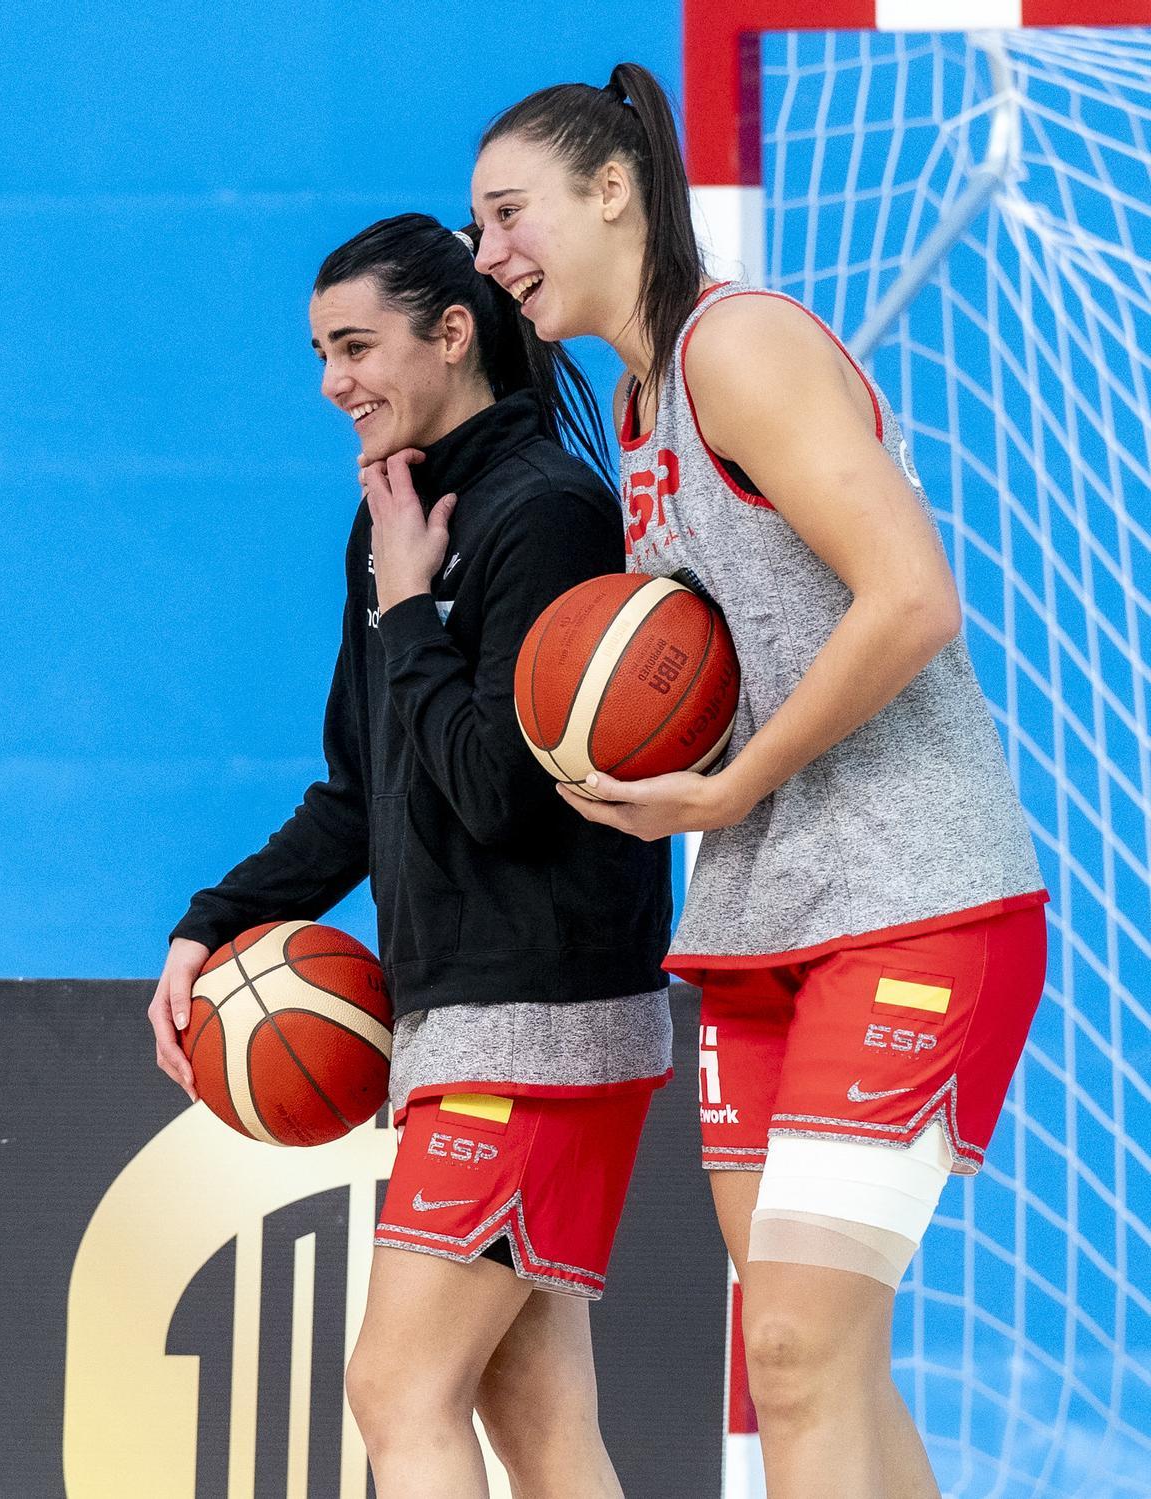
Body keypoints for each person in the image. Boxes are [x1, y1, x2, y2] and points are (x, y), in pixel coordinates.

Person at [471, 65, 1048, 1499]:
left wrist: (732, 788)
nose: (489, 255)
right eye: (478, 229)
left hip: (912, 886)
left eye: (508, 213)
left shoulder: (739, 343)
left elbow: (913, 598)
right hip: (762, 916)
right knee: (816, 1361)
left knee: (794, 1352)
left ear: (615, 188)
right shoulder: (638, 400)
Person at [146, 212, 673, 1499]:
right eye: (321, 353)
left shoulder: (547, 511)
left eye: (356, 345)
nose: (334, 381)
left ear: (450, 333)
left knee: (397, 1386)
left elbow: (499, 792)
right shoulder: (393, 516)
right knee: (535, 1411)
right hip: (469, 1016)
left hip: (538, 1018)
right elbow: (360, 792)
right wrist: (210, 921)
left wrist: (407, 601)